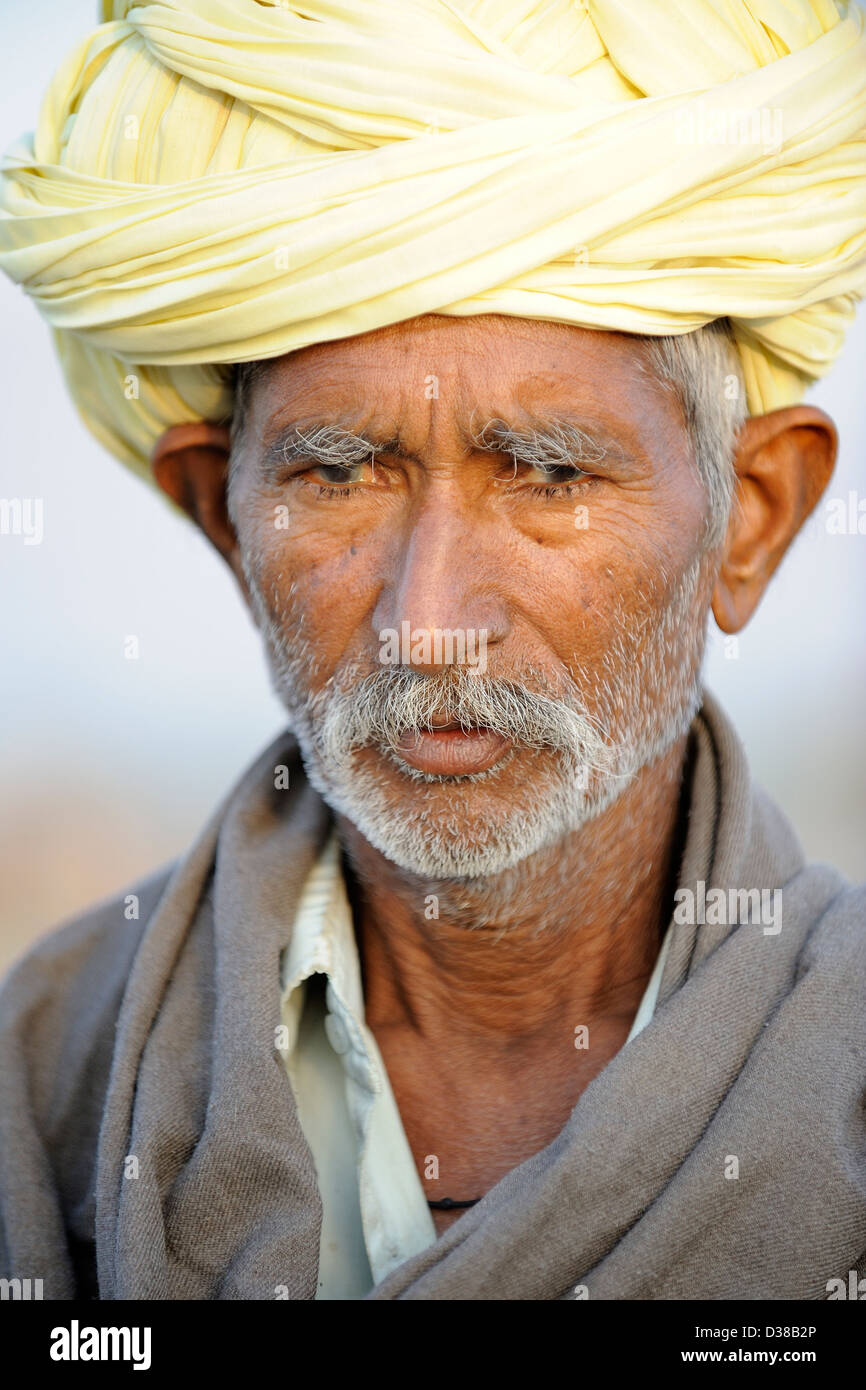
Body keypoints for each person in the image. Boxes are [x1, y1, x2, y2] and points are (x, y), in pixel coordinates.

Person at [0, 0, 864, 1301]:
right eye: (340, 475)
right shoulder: (40, 1078)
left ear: (750, 520)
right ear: (220, 521)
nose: (430, 621)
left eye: (548, 473)